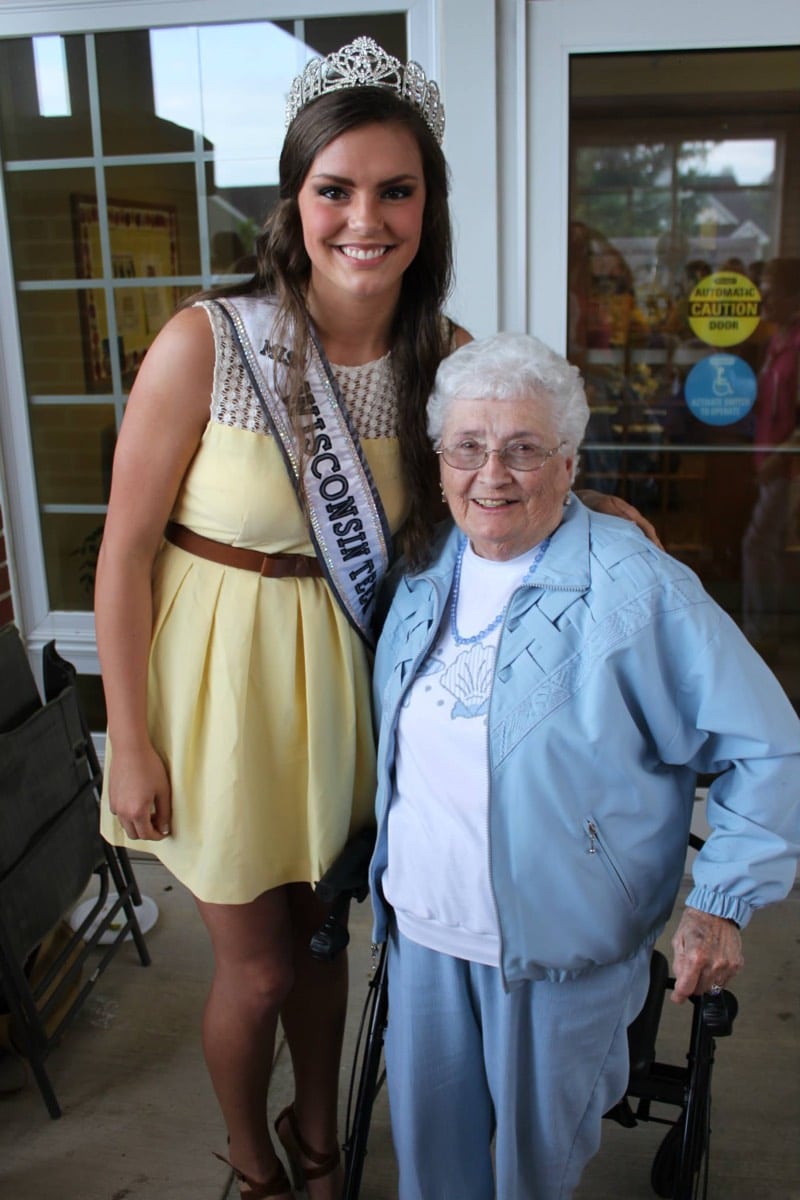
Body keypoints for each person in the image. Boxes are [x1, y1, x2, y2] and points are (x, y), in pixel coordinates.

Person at [94, 37, 655, 1200]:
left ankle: (319, 1140)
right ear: (294, 201)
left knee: (324, 946)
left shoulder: (438, 355)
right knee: (253, 971)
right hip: (221, 694)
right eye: (334, 189)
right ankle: (254, 1163)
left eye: (394, 190)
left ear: (425, 205)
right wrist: (129, 737)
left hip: (358, 685)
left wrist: (591, 499)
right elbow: (123, 551)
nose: (365, 218)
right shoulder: (209, 341)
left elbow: (497, 475)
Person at [368, 331, 800, 1200]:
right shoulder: (421, 571)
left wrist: (722, 903)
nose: (492, 474)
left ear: (568, 463)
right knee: (433, 1173)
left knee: (533, 1176)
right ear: (440, 458)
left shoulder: (636, 587)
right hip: (424, 934)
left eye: (524, 450)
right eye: (468, 447)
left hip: (562, 956)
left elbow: (769, 743)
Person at [741, 256, 800, 655]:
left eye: (771, 289)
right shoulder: (776, 340)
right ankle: (771, 630)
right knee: (768, 545)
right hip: (770, 465)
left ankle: (768, 633)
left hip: (788, 469)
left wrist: (779, 459)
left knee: (760, 544)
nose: (763, 297)